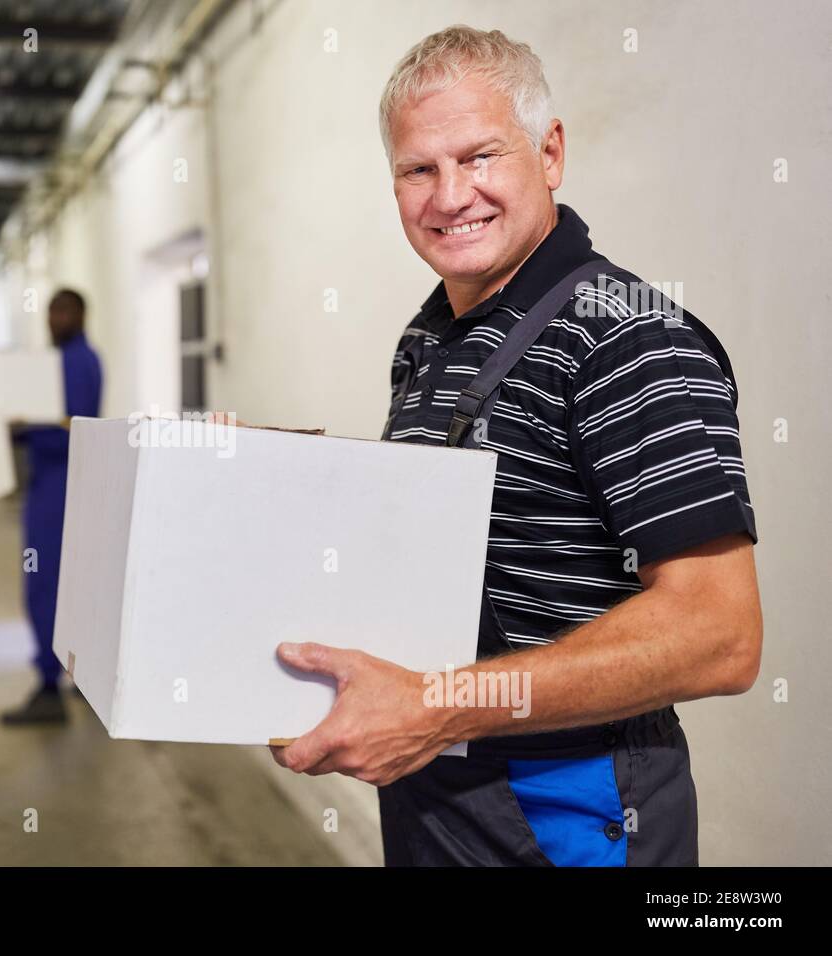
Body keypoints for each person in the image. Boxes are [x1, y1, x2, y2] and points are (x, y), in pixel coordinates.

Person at [271, 26, 762, 866]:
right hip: (439, 790)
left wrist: (442, 705)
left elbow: (720, 633)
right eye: (418, 169)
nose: (451, 195)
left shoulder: (625, 338)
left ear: (551, 152)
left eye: (480, 156)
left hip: (572, 802)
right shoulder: (430, 340)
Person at [0, 289, 103, 725]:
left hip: (57, 487)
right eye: (50, 311)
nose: (54, 319)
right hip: (59, 483)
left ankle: (48, 688)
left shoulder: (76, 361)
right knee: (71, 586)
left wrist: (19, 429)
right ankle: (79, 676)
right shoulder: (62, 361)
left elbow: (69, 429)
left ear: (81, 315)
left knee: (43, 585)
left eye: (63, 311)